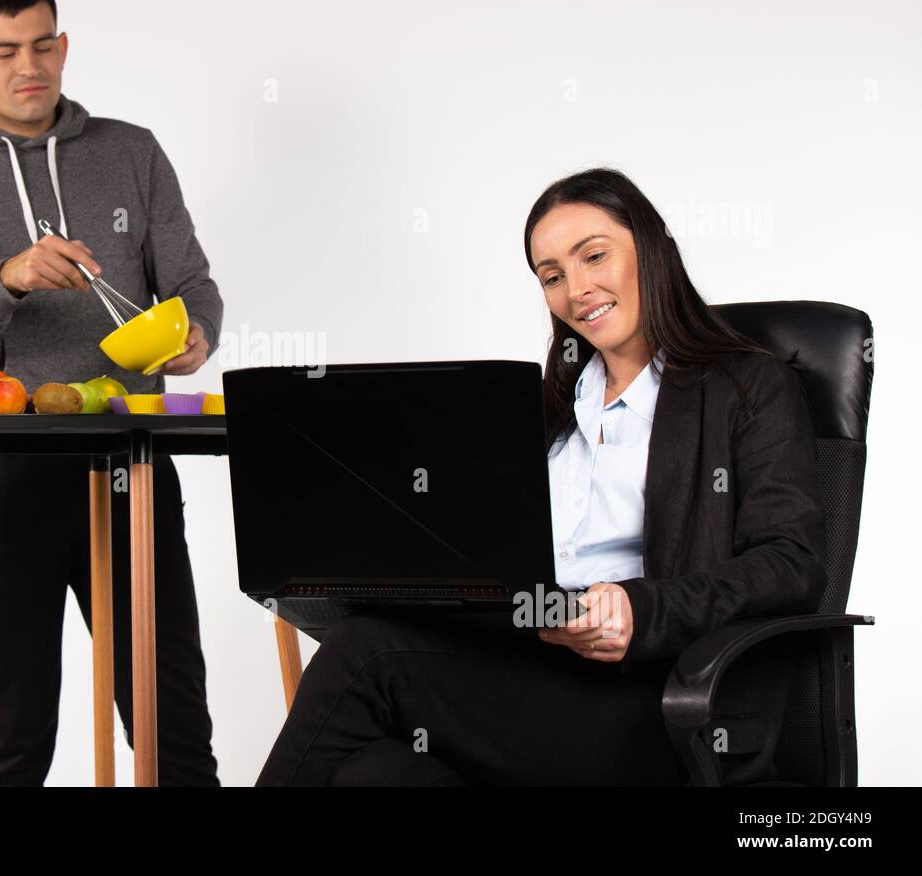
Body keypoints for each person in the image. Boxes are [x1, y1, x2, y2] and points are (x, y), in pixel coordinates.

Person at [255, 168, 827, 786]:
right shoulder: (549, 408)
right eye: (552, 276)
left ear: (653, 249)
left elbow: (792, 561)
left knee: (364, 653)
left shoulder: (746, 385)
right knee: (376, 775)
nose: (576, 288)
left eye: (595, 256)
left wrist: (641, 609)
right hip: (526, 665)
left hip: (654, 699)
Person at [0, 0, 223, 785]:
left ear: (64, 46)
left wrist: (197, 334)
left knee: (170, 722)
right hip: (7, 471)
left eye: (43, 45)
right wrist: (6, 278)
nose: (28, 65)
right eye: (3, 51)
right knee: (12, 734)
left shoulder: (130, 151)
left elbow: (191, 284)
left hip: (133, 460)